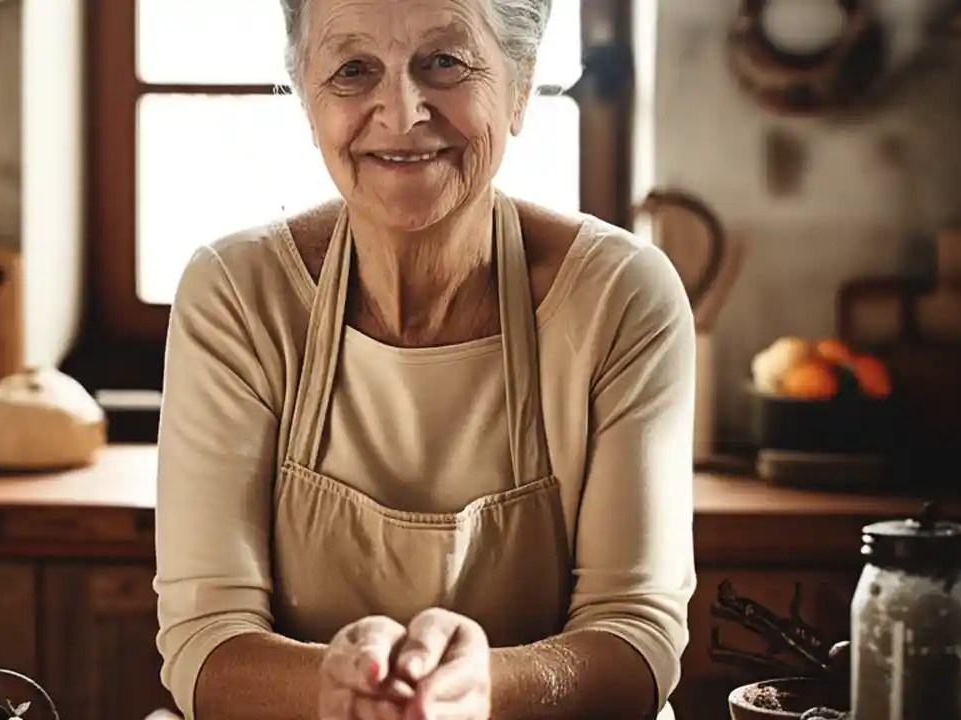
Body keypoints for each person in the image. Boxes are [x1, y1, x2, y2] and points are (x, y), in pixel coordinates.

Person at [154, 1, 696, 718]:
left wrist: (480, 693)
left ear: (521, 87)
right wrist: (337, 690)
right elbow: (206, 640)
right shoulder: (235, 291)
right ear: (308, 102)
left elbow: (635, 638)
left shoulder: (621, 294)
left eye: (445, 63)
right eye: (353, 70)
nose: (402, 112)